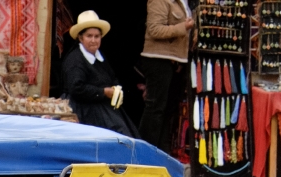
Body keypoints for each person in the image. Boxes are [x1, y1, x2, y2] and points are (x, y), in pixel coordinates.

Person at [61, 11, 139, 139]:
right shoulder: (75, 60)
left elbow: (112, 77)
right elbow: (76, 88)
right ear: (80, 38)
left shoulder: (99, 57)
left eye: (97, 36)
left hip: (101, 106)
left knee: (124, 133)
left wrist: (115, 88)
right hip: (83, 108)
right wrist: (103, 92)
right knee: (115, 132)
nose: (93, 40)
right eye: (89, 36)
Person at [139, 0, 193, 149]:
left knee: (168, 109)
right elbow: (155, 29)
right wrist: (184, 26)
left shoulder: (185, 3)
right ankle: (145, 150)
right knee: (155, 108)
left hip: (176, 60)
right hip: (158, 59)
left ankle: (160, 151)